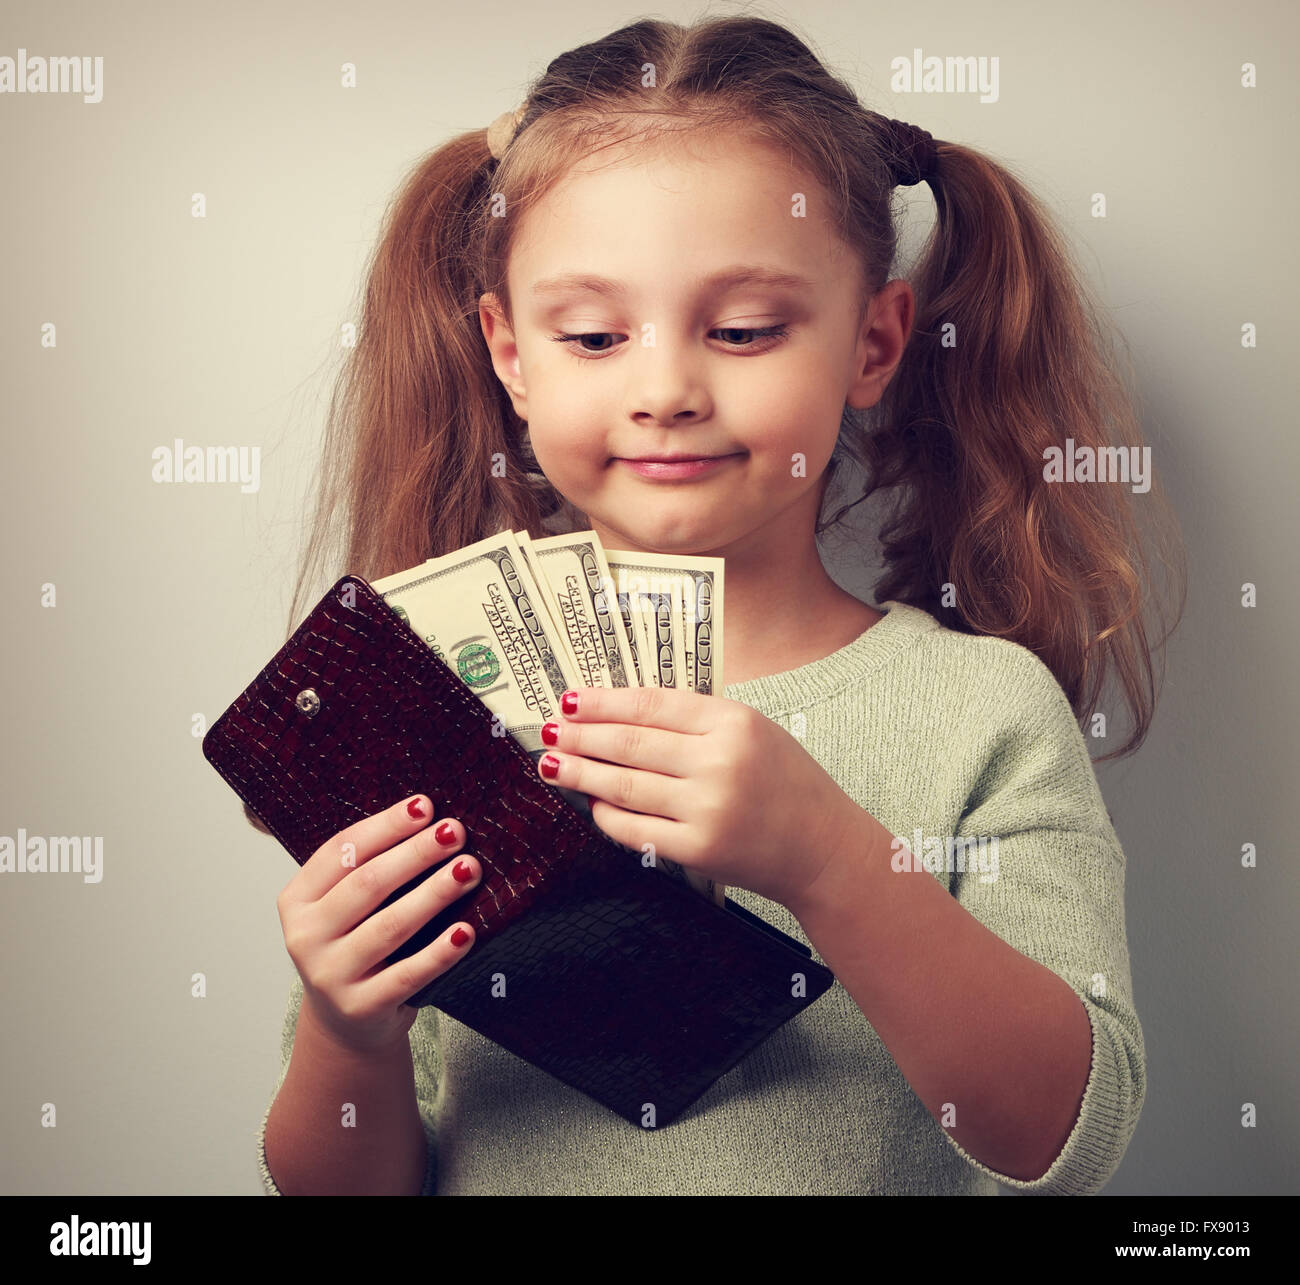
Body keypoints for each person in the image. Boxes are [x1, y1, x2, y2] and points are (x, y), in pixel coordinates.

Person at [253, 13, 1186, 1196]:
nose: (664, 390)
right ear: (509, 352)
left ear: (873, 341)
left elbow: (1064, 1135)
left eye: (743, 330)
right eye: (592, 334)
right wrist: (349, 1031)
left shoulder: (981, 710)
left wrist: (829, 858)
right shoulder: (442, 709)